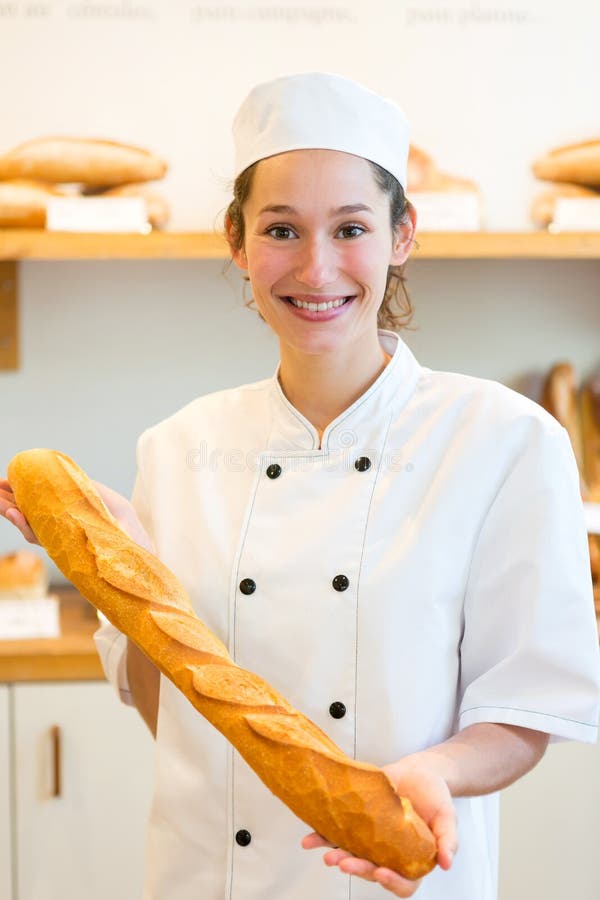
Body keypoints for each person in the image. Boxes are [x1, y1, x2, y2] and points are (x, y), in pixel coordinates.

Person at [2, 72, 599, 900]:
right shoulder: (177, 449)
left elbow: (525, 703)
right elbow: (173, 711)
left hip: (399, 880)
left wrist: (436, 771)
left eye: (350, 227)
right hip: (204, 878)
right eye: (281, 229)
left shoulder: (503, 441)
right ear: (238, 242)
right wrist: (125, 579)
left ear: (402, 236)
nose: (316, 269)